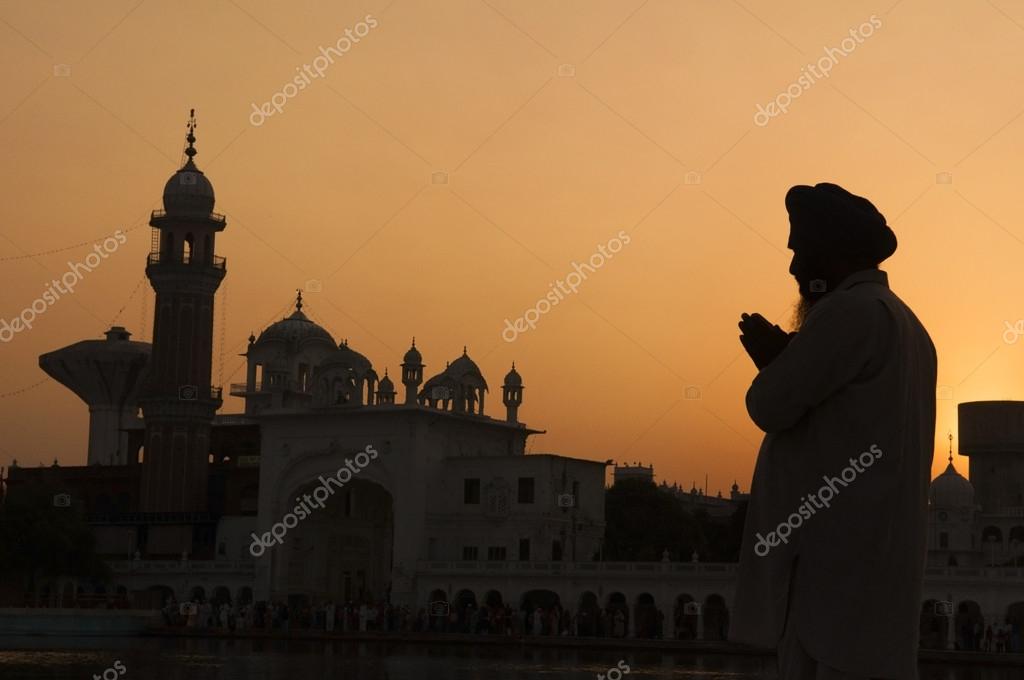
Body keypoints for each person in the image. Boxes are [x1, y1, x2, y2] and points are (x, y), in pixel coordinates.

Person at [732, 183, 936, 680]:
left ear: (833, 251)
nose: (794, 268)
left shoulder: (847, 313)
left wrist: (771, 365)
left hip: (832, 576)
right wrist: (790, 360)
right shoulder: (908, 324)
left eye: (801, 252)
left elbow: (769, 406)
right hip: (874, 569)